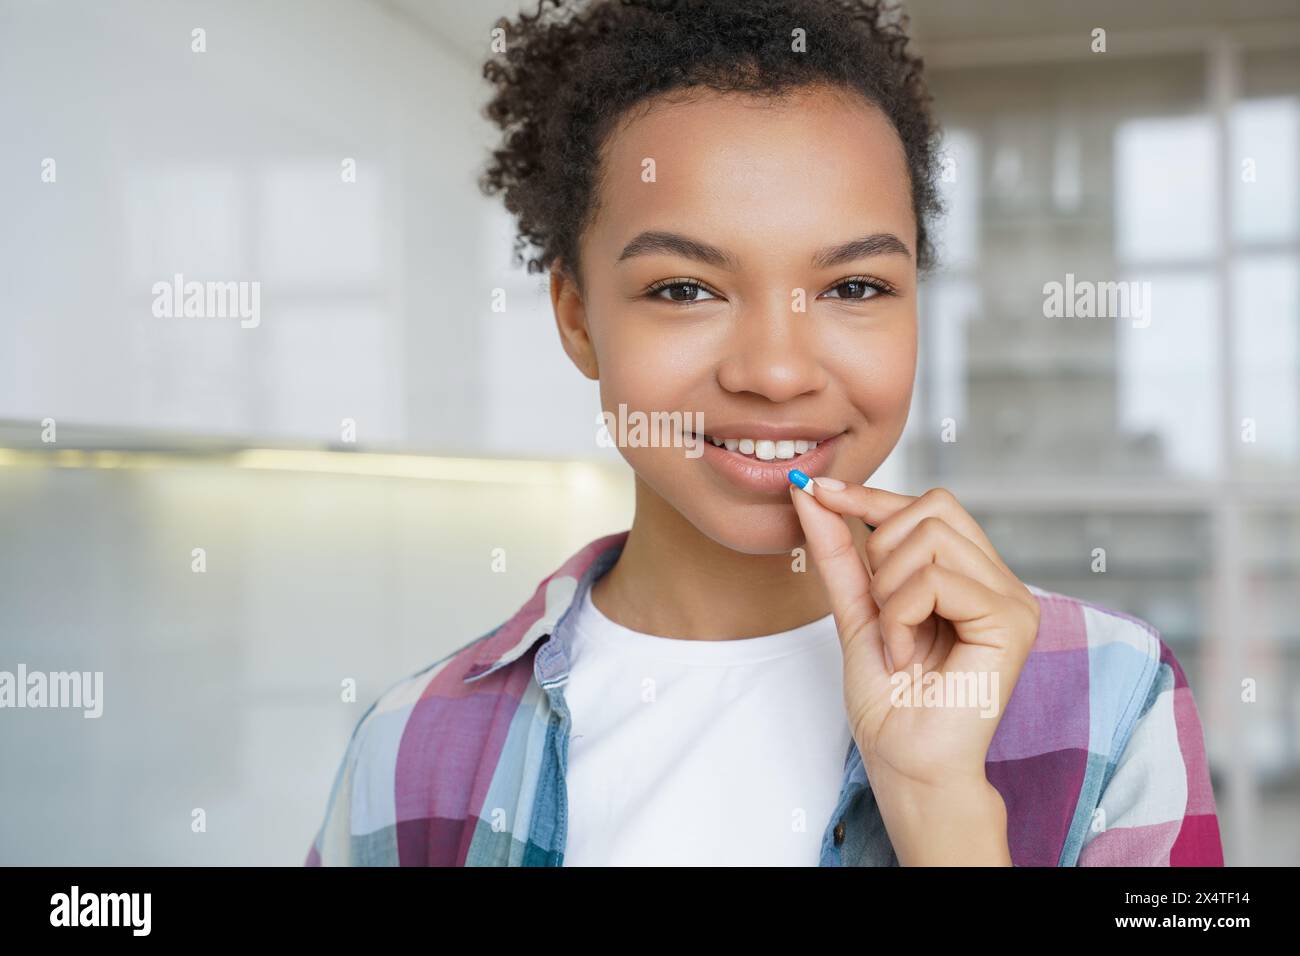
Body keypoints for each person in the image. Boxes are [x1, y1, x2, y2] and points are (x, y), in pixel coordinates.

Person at [306, 0, 1223, 866]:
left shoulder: (1110, 697)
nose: (777, 373)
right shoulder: (409, 747)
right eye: (685, 290)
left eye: (853, 289)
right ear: (578, 318)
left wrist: (945, 813)